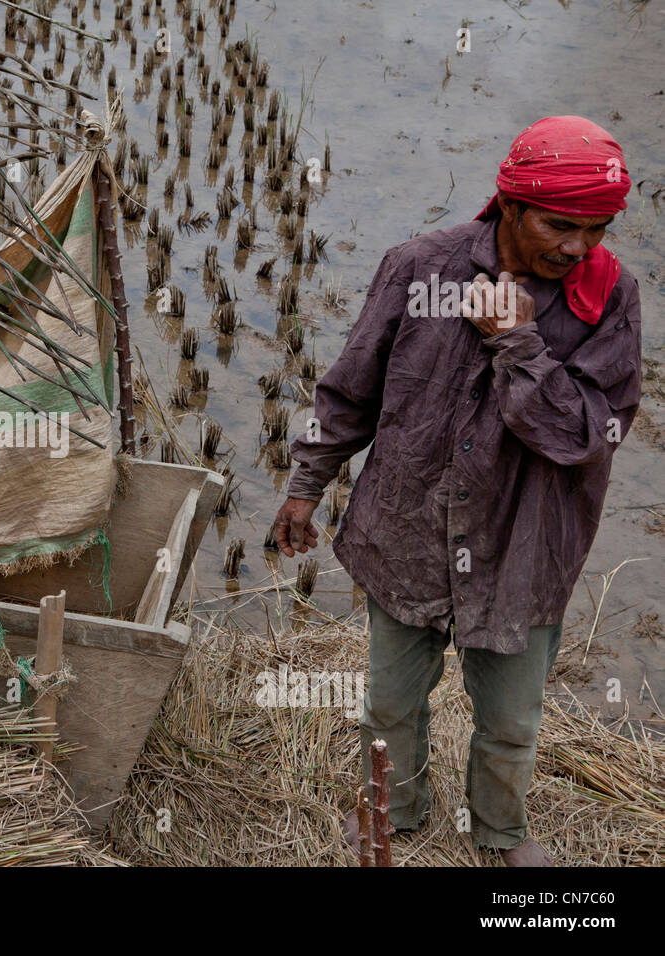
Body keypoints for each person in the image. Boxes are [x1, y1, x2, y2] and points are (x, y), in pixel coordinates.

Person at [272, 116, 642, 866]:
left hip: (522, 544)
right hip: (408, 528)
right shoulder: (419, 269)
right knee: (389, 703)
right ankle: (396, 810)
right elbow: (351, 392)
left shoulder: (610, 300)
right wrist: (305, 483)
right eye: (560, 225)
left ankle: (501, 833)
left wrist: (519, 342)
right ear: (508, 204)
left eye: (596, 230)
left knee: (511, 717)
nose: (578, 248)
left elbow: (587, 436)